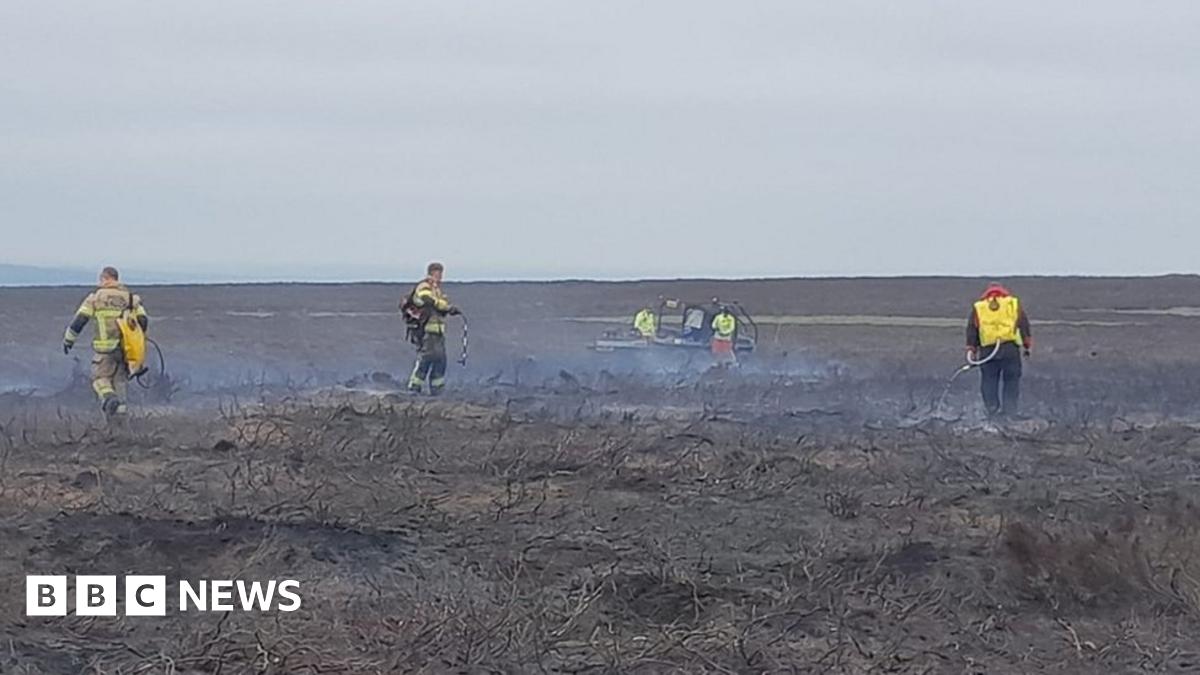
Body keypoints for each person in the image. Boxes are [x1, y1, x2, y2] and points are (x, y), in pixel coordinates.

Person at [62, 266, 149, 416]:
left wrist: (68, 340)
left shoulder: (95, 298)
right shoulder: (130, 298)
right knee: (120, 383)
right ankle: (120, 425)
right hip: (124, 350)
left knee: (100, 380)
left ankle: (109, 399)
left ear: (105, 278)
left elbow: (80, 321)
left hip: (105, 350)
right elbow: (143, 320)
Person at [966, 282, 1032, 417]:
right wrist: (1027, 345)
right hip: (1010, 350)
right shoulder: (1013, 304)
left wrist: (971, 349)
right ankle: (1010, 412)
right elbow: (1023, 324)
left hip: (987, 352)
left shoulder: (979, 307)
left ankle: (992, 411)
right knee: (1011, 380)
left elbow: (972, 329)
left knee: (989, 381)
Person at [406, 262, 459, 395]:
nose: (441, 276)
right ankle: (414, 388)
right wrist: (445, 306)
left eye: (441, 273)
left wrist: (448, 309)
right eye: (438, 273)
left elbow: (439, 305)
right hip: (427, 331)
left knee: (440, 360)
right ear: (432, 273)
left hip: (438, 332)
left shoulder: (436, 290)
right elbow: (427, 299)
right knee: (426, 358)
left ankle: (437, 389)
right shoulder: (424, 286)